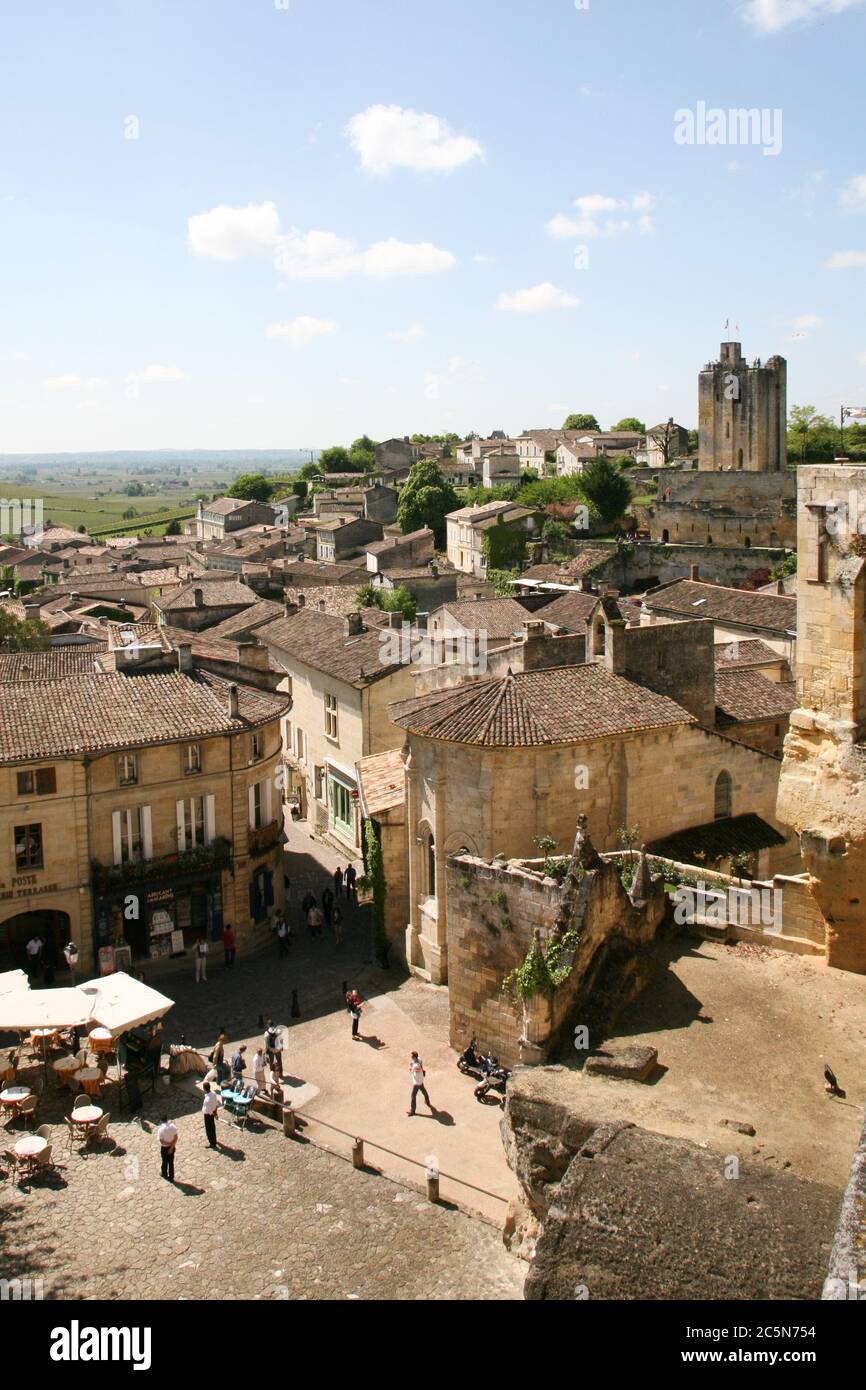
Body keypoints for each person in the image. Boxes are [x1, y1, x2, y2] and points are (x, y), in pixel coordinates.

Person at [408, 1051, 433, 1117]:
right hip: (421, 1080)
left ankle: (413, 1111)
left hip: (417, 1082)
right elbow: (413, 1064)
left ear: (414, 1057)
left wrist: (411, 1068)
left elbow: (413, 1071)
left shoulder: (416, 1066)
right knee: (423, 1091)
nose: (411, 1057)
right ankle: (427, 1102)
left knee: (413, 1096)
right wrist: (412, 1065)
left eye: (412, 1056)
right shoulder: (419, 1059)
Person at [157, 1115, 178, 1182]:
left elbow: (161, 1141)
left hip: (165, 1148)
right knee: (171, 1163)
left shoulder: (160, 1129)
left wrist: (168, 1145)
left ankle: (164, 1173)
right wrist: (171, 1147)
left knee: (165, 1161)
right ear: (167, 1119)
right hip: (172, 1147)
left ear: (161, 1121)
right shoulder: (173, 1126)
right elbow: (176, 1137)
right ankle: (171, 1178)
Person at [201, 1082, 220, 1149]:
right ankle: (214, 1140)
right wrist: (215, 1114)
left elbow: (210, 1108)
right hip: (211, 1114)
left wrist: (214, 1113)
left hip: (208, 1115)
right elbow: (216, 1105)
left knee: (209, 1129)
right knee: (212, 1128)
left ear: (204, 1089)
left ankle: (212, 1143)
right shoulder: (213, 1094)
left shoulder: (207, 1099)